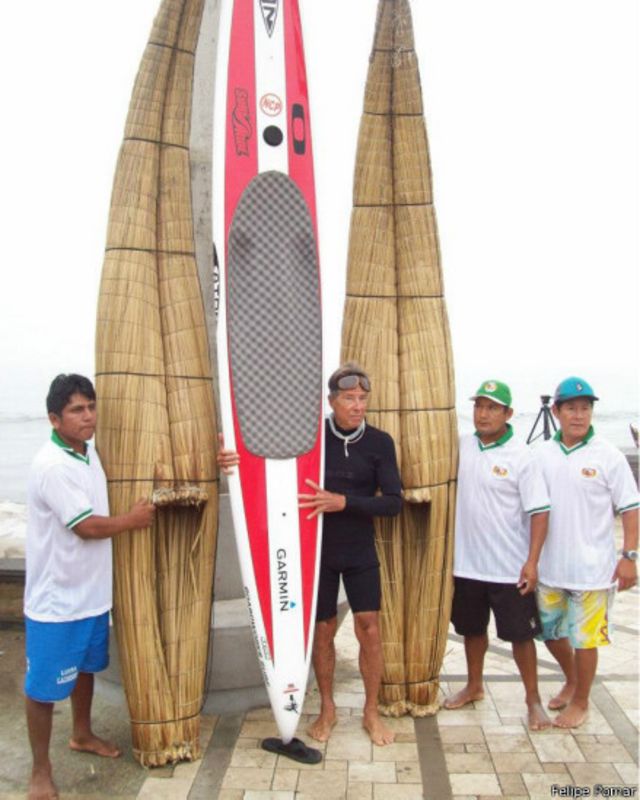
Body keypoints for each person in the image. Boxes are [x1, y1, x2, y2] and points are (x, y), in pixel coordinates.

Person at [218, 363, 402, 745]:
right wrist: (231, 460)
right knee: (323, 630)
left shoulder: (380, 443)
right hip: (318, 550)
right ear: (331, 401)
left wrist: (344, 502)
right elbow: (265, 462)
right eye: (349, 398)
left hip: (360, 548)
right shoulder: (312, 439)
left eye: (362, 398)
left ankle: (371, 711)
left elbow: (393, 503)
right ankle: (327, 708)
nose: (357, 405)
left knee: (369, 627)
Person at [24, 374, 155, 800]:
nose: (88, 417)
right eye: (76, 410)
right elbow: (85, 527)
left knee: (85, 670)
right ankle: (40, 771)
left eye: (91, 407)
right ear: (54, 419)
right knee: (43, 689)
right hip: (56, 601)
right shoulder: (53, 465)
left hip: (92, 595)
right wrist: (132, 520)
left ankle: (81, 733)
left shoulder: (88, 453)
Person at [443, 380, 552, 730]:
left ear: (508, 413)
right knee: (472, 631)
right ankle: (474, 686)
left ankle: (533, 700)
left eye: (492, 408)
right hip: (468, 565)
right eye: (479, 406)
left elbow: (540, 512)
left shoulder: (522, 456)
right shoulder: (463, 446)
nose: (483, 414)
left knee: (521, 636)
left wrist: (532, 562)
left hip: (509, 567)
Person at [535, 376, 639, 728]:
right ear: (556, 411)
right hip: (550, 567)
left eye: (585, 408)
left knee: (585, 640)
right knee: (551, 633)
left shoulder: (608, 456)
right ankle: (572, 679)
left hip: (594, 570)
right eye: (571, 408)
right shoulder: (542, 454)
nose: (579, 415)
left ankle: (581, 701)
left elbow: (631, 507)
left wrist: (629, 557)